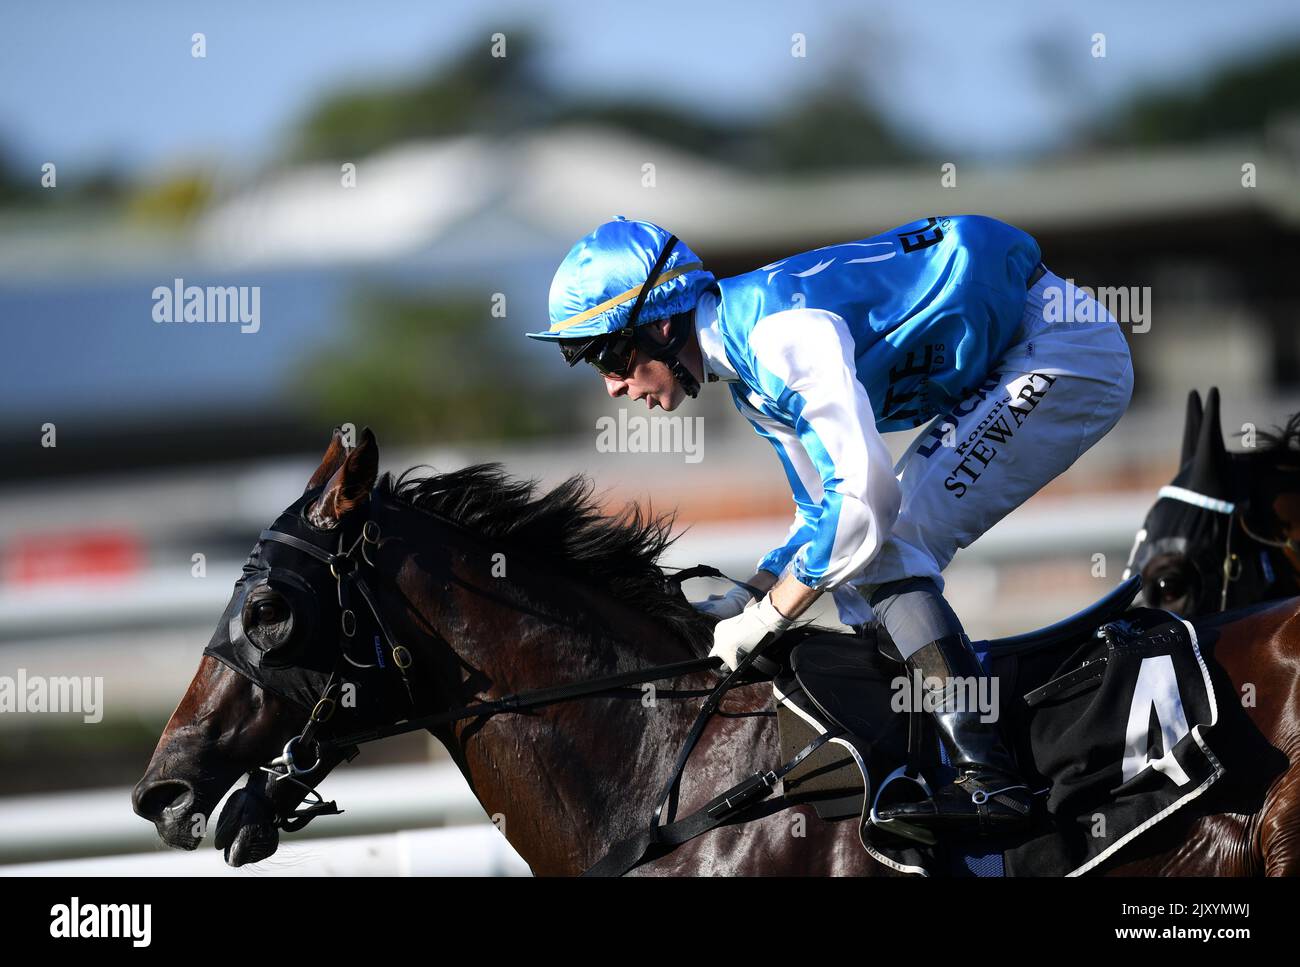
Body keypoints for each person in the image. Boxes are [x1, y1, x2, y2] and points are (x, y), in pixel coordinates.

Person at [525, 214, 1133, 836]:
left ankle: (992, 780)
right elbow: (821, 512)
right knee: (856, 565)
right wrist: (751, 591)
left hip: (1062, 345)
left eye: (610, 353)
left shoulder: (776, 339)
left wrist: (770, 617)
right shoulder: (745, 370)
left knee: (888, 547)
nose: (613, 386)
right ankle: (929, 755)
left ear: (660, 324)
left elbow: (865, 504)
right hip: (1017, 342)